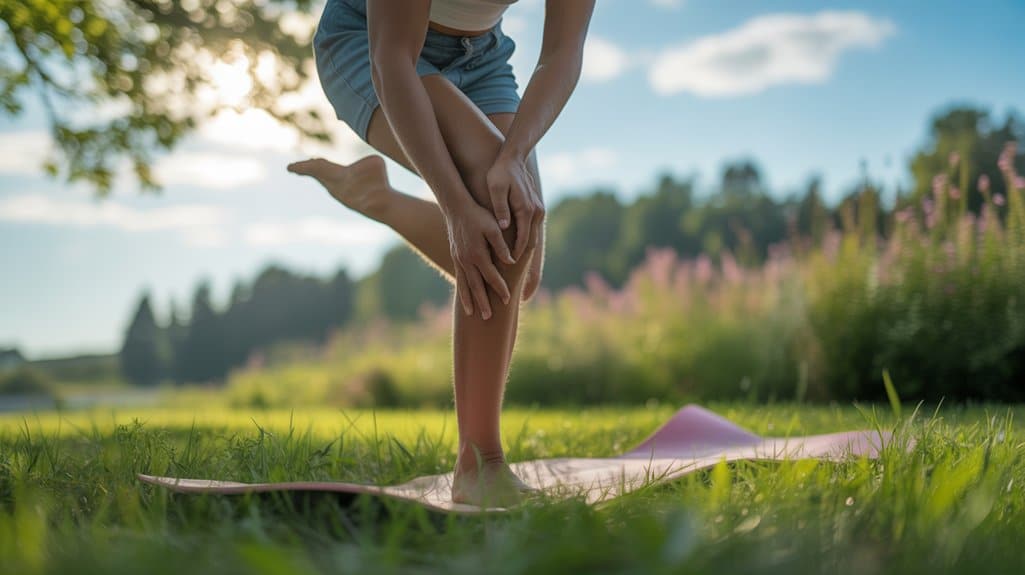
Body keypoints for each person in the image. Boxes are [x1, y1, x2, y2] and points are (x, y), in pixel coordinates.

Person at [287, 0, 595, 506]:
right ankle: (479, 465)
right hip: (371, 45)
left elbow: (561, 54)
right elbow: (393, 59)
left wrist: (513, 156)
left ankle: (377, 197)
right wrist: (454, 206)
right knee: (507, 220)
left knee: (521, 259)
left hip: (484, 58)